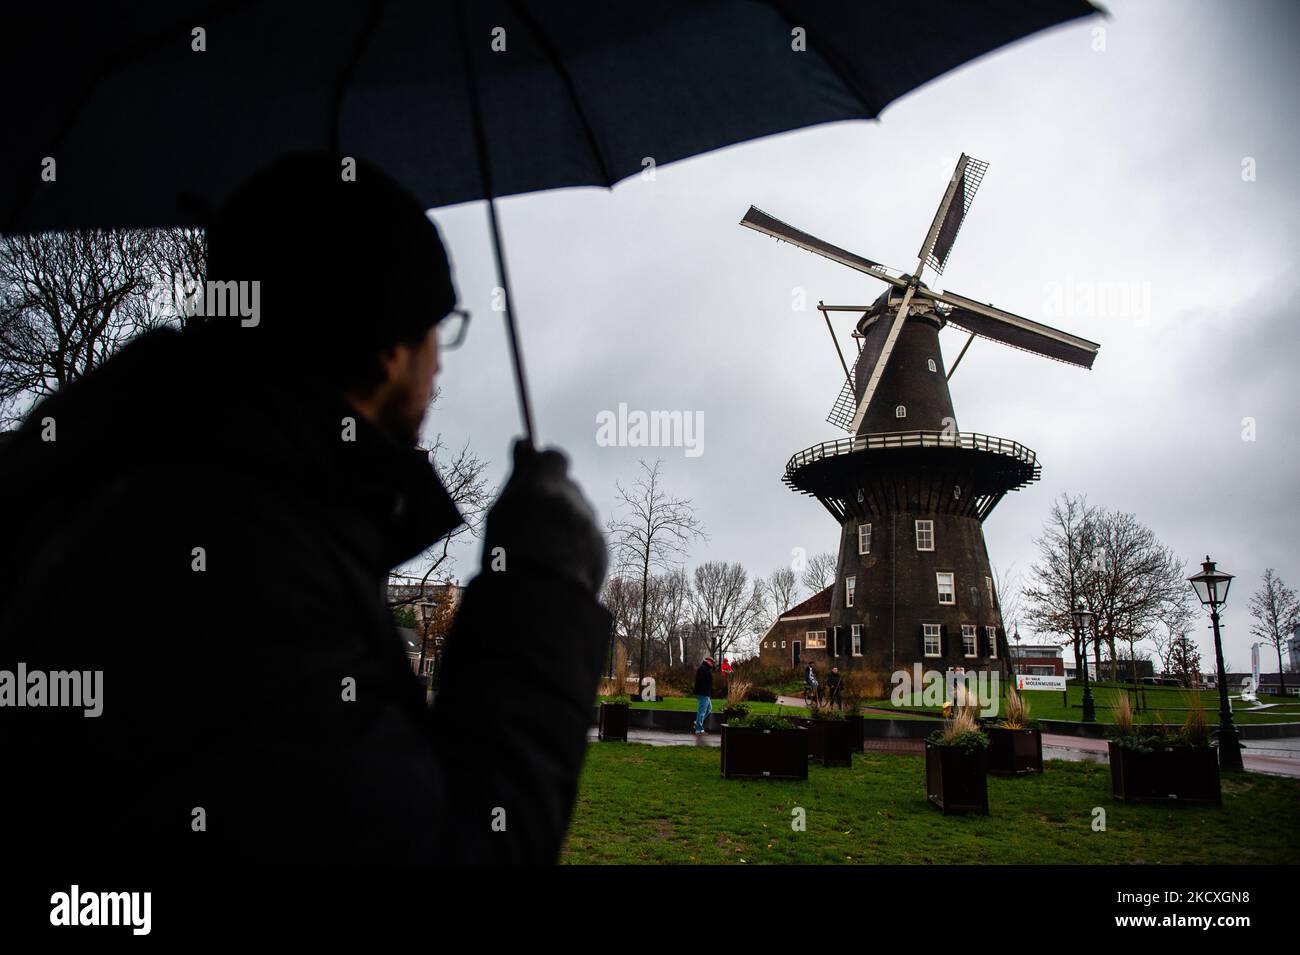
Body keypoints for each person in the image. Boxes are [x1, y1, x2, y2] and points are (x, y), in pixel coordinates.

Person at [0, 153, 610, 863]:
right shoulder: (233, 568)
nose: (439, 365)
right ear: (388, 347)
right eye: (437, 332)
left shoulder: (128, 485)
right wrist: (543, 592)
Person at [693, 656, 716, 734]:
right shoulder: (703, 669)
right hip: (703, 693)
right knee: (702, 711)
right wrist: (705, 691)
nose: (713, 664)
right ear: (707, 661)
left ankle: (697, 723)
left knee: (709, 709)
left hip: (705, 693)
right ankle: (699, 729)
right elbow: (701, 682)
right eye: (712, 662)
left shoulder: (705, 669)